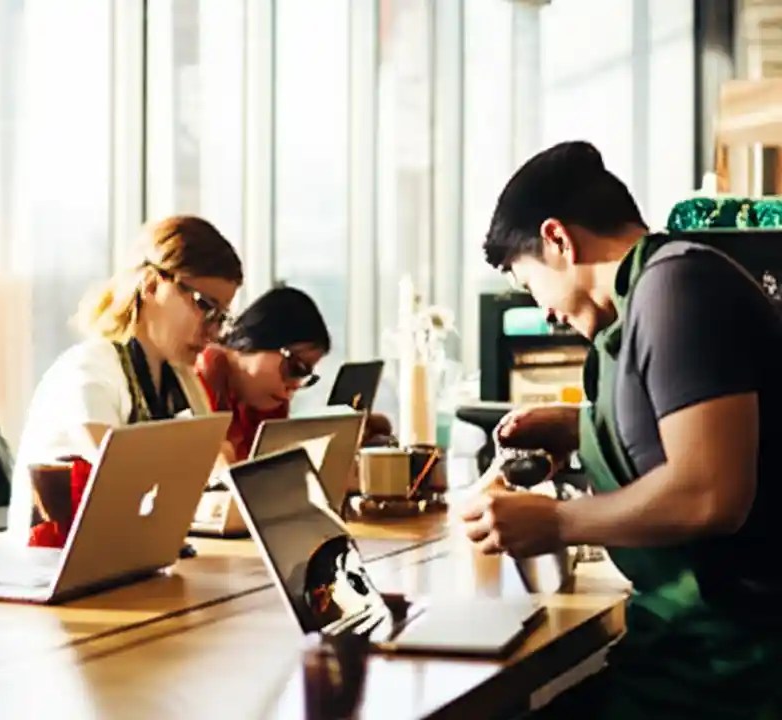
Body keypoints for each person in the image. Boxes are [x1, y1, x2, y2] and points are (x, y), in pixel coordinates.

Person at [464, 140, 782, 717]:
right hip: (687, 655)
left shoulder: (676, 287)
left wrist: (556, 522)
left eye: (529, 284)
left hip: (732, 675)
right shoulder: (652, 296)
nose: (546, 313)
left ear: (557, 239)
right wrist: (581, 428)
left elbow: (712, 493)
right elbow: (680, 425)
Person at [9, 215, 243, 534]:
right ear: (150, 283)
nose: (213, 331)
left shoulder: (179, 377)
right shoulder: (90, 367)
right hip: (52, 570)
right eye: (204, 306)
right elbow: (116, 469)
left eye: (222, 316)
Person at [196, 285, 393, 463]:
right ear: (258, 339)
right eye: (295, 368)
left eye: (304, 376)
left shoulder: (269, 404)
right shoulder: (202, 375)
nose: (295, 385)